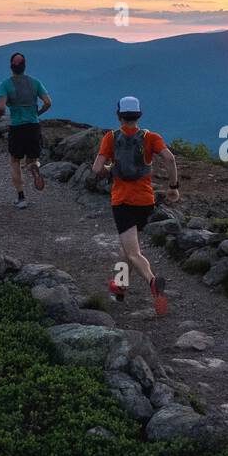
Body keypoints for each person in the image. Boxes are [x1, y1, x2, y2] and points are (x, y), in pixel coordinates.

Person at [92, 95, 180, 316]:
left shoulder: (111, 138)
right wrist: (173, 187)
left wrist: (109, 169)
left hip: (122, 202)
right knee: (125, 248)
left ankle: (152, 282)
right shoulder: (151, 137)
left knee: (133, 253)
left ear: (119, 115)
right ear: (139, 115)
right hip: (145, 202)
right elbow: (169, 159)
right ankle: (120, 287)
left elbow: (96, 168)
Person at [0, 52, 52, 208]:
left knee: (15, 161)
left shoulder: (5, 84)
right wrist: (37, 113)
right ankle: (34, 167)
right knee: (32, 158)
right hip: (33, 126)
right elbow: (48, 102)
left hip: (17, 127)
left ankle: (21, 198)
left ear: (11, 67)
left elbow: (0, 107)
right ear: (24, 66)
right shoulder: (35, 82)